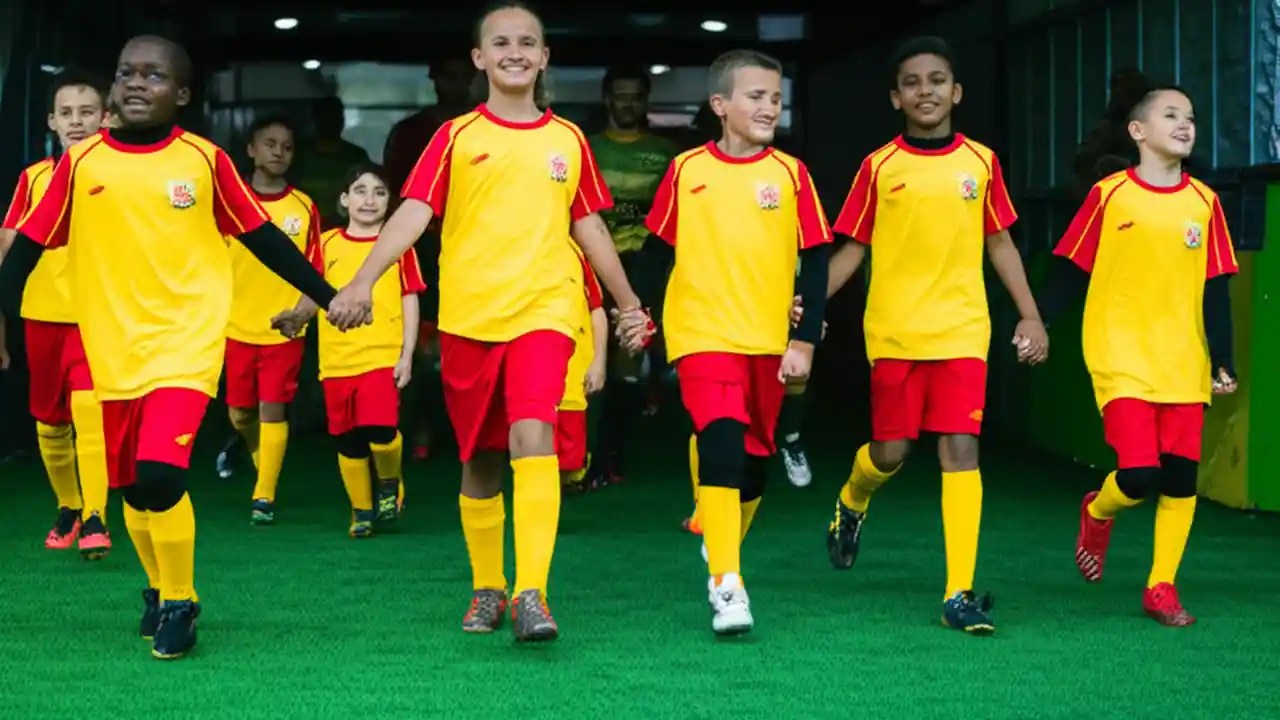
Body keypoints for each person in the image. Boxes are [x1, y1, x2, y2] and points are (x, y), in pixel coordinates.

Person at [0, 35, 340, 660]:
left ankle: (182, 601)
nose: (135, 82)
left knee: (159, 474)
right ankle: (156, 588)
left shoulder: (204, 161)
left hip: (186, 345)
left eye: (153, 76)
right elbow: (25, 249)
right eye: (126, 72)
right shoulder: (82, 165)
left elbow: (264, 238)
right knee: (133, 486)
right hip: (113, 348)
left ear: (181, 95)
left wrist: (326, 294)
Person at [324, 1, 650, 643]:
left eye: (528, 42)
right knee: (480, 460)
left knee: (536, 435)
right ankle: (487, 587)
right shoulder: (455, 137)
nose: (515, 51)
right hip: (472, 318)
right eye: (500, 42)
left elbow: (588, 225)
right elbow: (415, 213)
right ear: (479, 58)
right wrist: (363, 278)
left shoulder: (568, 140)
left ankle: (533, 592)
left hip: (544, 310)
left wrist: (628, 303)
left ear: (545, 57)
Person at [823, 36, 1048, 635]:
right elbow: (852, 248)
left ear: (957, 92)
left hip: (963, 328)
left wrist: (1029, 315)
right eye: (914, 83)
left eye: (937, 80)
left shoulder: (981, 163)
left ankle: (959, 592)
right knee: (891, 453)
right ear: (897, 98)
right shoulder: (879, 166)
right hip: (895, 331)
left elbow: (1000, 241)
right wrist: (800, 307)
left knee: (960, 450)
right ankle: (853, 496)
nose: (927, 91)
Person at [633, 48, 831, 635]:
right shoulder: (686, 169)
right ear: (720, 105)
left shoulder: (792, 175)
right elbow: (656, 250)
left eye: (775, 97)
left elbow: (816, 260)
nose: (769, 106)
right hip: (701, 333)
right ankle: (727, 584)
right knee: (719, 443)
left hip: (768, 340)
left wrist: (805, 338)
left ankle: (720, 538)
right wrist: (635, 309)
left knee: (751, 470)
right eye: (755, 96)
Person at [1050, 86, 1237, 627]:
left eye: (1191, 117)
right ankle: (1098, 509)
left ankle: (1161, 587)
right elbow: (1071, 267)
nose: (1185, 124)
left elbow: (1216, 287)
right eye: (1171, 115)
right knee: (1137, 474)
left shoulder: (1205, 202)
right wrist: (1036, 323)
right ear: (1138, 132)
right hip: (1120, 353)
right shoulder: (1110, 195)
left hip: (1183, 359)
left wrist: (1221, 358)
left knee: (1180, 480)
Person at [274, 165, 424, 537]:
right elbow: (313, 292)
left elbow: (410, 298)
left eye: (379, 192)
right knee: (348, 438)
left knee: (381, 428)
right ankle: (361, 511)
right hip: (337, 361)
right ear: (344, 200)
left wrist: (406, 354)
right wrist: (298, 317)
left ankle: (389, 482)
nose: (369, 199)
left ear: (390, 203)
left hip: (381, 355)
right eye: (360, 191)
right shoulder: (325, 244)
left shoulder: (397, 246)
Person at [0, 69, 112, 558]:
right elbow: (7, 246)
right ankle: (69, 505)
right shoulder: (33, 179)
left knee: (90, 413)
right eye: (66, 112)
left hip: (99, 318)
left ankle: (96, 516)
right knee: (49, 421)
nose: (77, 121)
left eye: (87, 111)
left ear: (106, 118)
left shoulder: (123, 176)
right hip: (41, 316)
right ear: (51, 121)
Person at [217, 116, 322, 525]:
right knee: (241, 413)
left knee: (271, 408)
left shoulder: (304, 207)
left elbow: (315, 270)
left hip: (284, 329)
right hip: (232, 326)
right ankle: (261, 459)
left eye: (287, 146)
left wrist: (300, 313)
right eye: (270, 143)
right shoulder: (228, 202)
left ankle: (264, 495)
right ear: (251, 150)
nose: (279, 152)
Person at [583, 65, 679, 493]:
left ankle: (610, 455)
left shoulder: (667, 153)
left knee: (628, 361)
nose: (627, 104)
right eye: (619, 96)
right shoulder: (585, 147)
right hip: (588, 264)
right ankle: (578, 455)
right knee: (584, 359)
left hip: (644, 265)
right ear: (607, 100)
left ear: (645, 101)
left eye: (635, 96)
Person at [382, 57, 475, 463]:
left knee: (469, 346)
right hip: (422, 253)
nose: (454, 82)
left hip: (476, 255)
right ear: (434, 77)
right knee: (418, 349)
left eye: (461, 76)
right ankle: (418, 428)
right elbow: (396, 194)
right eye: (447, 73)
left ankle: (466, 432)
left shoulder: (484, 129)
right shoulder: (410, 132)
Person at [559, 250, 607, 494]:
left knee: (571, 460)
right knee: (532, 446)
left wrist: (599, 361)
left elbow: (596, 310)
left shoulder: (575, 253)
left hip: (574, 370)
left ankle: (569, 481)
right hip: (533, 371)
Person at [293, 96, 371, 228]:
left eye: (334, 118)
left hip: (347, 230)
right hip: (301, 226)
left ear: (342, 121)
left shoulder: (357, 156)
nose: (329, 123)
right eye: (324, 118)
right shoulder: (296, 154)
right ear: (314, 120)